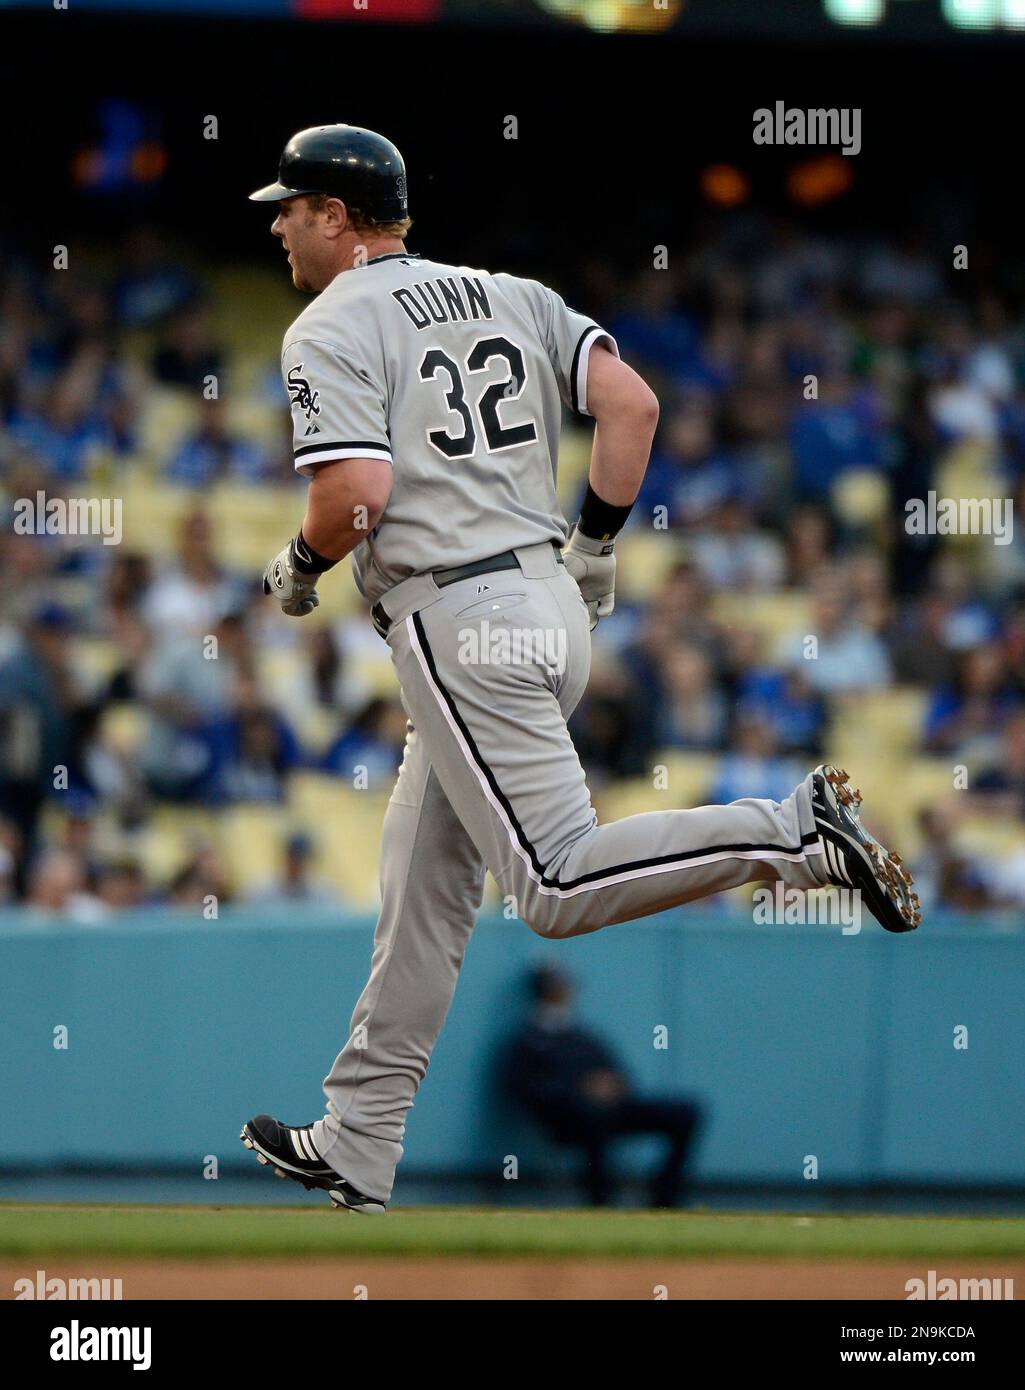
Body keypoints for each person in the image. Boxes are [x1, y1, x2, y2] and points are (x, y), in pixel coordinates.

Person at [240, 124, 920, 1215]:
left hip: (456, 609)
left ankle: (788, 833)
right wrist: (596, 545)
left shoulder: (330, 320)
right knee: (423, 895)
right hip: (545, 600)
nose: (276, 224)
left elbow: (353, 492)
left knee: (553, 887)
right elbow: (631, 406)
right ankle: (357, 1138)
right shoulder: (511, 290)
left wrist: (297, 566)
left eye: (290, 206)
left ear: (334, 214)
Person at [505, 966, 702, 1208]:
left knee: (685, 1113)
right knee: (595, 1117)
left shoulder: (584, 1037)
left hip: (612, 1111)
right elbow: (528, 1089)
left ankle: (664, 1198)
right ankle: (600, 1203)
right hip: (572, 1120)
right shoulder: (528, 1041)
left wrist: (613, 1086)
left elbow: (620, 1077)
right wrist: (581, 1092)